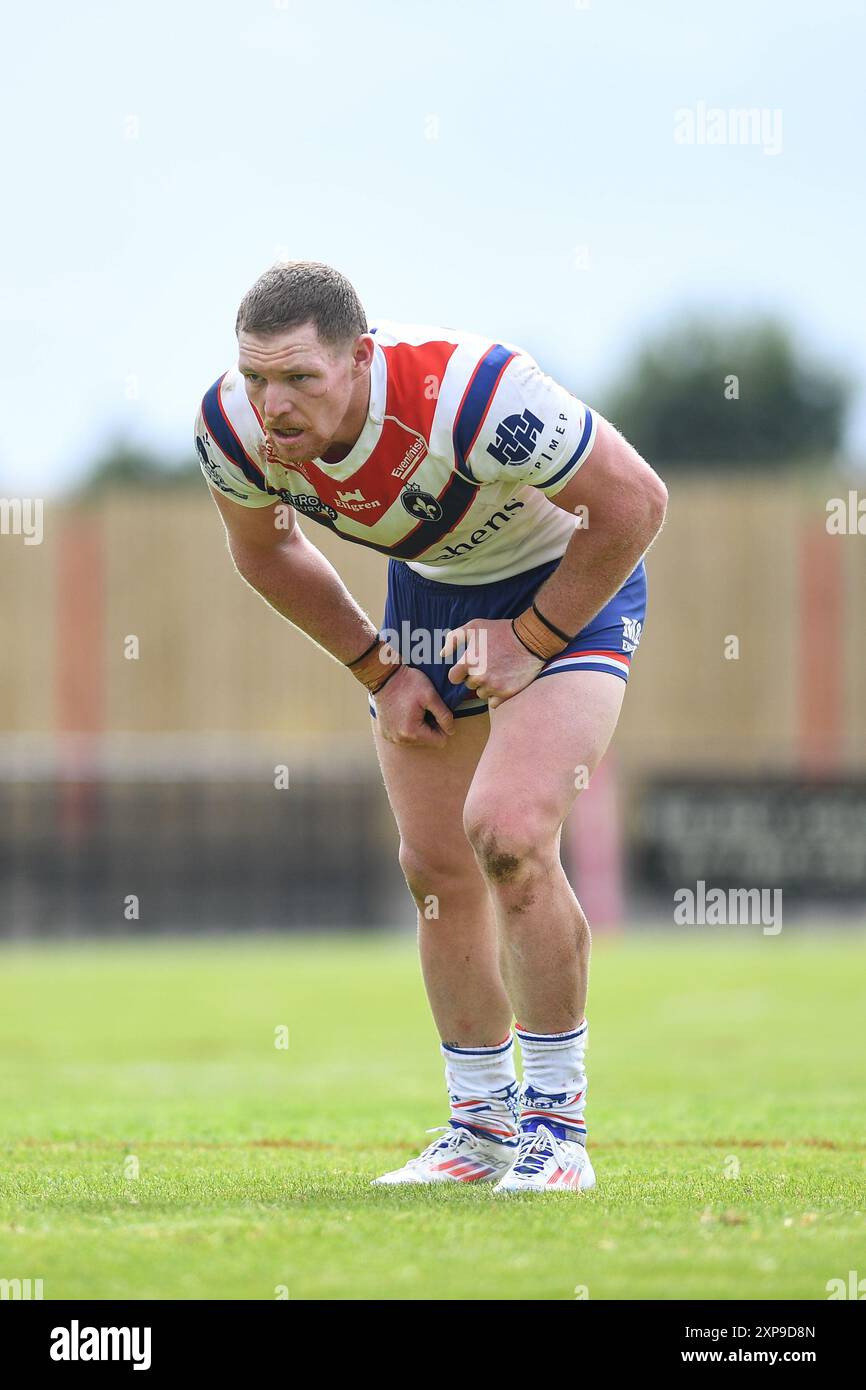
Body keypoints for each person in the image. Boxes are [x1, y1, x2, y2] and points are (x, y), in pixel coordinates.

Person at [195, 260, 667, 1192]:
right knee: (437, 871)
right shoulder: (232, 430)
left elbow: (637, 504)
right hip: (427, 602)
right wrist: (379, 667)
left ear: (361, 360)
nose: (273, 405)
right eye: (255, 377)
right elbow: (265, 551)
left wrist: (532, 639)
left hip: (569, 587)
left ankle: (556, 1133)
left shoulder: (477, 396)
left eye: (300, 377)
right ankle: (480, 1130)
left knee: (510, 836)